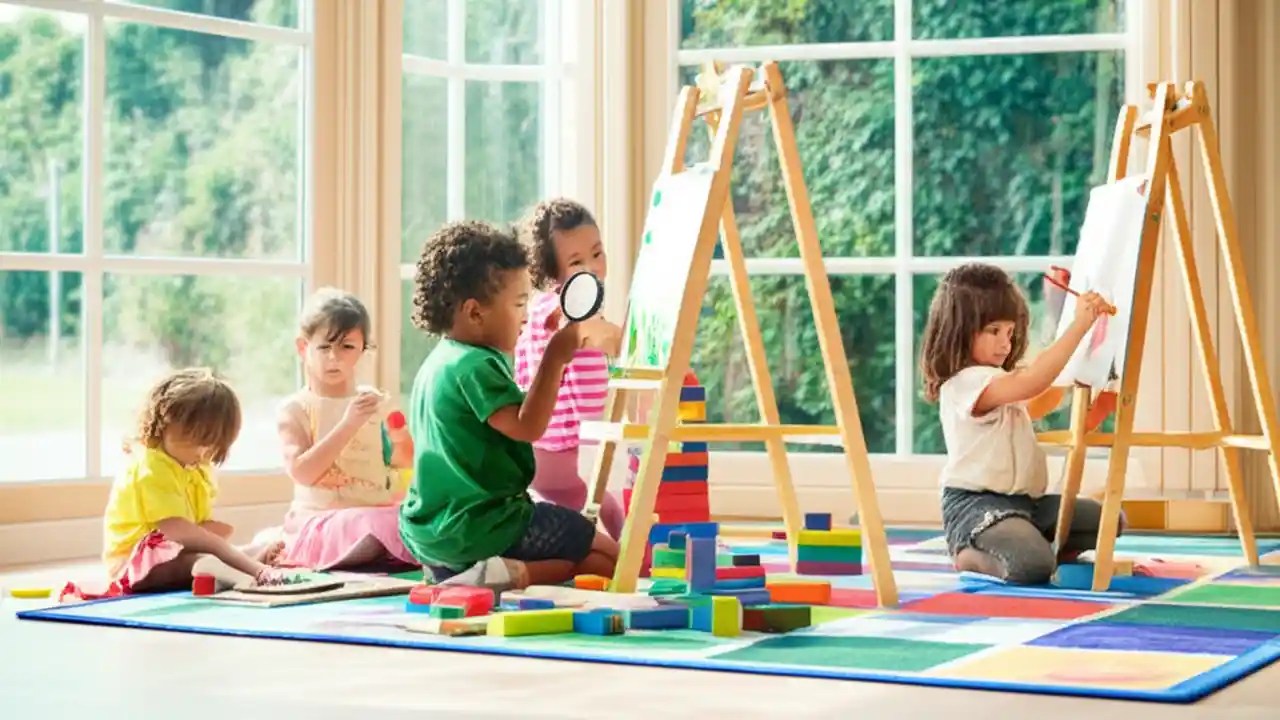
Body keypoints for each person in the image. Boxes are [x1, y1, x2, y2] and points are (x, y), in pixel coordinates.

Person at [400, 220, 619, 590]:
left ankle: (464, 574)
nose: (525, 316)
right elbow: (528, 426)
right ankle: (509, 574)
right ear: (474, 313)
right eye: (519, 304)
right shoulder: (477, 364)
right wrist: (556, 357)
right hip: (484, 526)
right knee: (609, 559)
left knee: (587, 550)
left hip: (431, 533)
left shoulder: (442, 361)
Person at [919, 263, 1116, 584]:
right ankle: (968, 554)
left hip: (1027, 504)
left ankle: (1031, 541)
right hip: (975, 505)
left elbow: (1043, 398)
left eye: (1010, 333)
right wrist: (1078, 326)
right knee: (1032, 566)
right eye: (994, 331)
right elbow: (1035, 382)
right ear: (959, 328)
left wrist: (1096, 389)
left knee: (1108, 522)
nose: (1005, 344)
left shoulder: (1002, 383)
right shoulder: (966, 383)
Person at [101, 368, 283, 592]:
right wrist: (252, 566)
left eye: (212, 444)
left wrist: (207, 533)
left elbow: (192, 532)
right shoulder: (152, 467)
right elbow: (178, 532)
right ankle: (233, 569)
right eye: (194, 441)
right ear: (164, 424)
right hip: (131, 564)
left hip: (177, 550)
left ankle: (230, 565)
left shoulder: (196, 467)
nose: (204, 452)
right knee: (199, 558)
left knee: (208, 552)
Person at [275, 288, 417, 570]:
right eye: (324, 347)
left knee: (414, 516)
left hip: (376, 510)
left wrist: (401, 442)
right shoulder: (296, 408)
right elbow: (303, 472)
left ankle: (384, 552)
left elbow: (401, 464)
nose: (334, 358)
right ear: (303, 348)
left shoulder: (374, 401)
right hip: (323, 518)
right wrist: (348, 423)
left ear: (363, 349)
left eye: (347, 347)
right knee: (365, 524)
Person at [514, 198, 625, 539]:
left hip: (533, 454)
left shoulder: (535, 309)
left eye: (597, 253)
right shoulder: (578, 317)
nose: (592, 268)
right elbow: (591, 400)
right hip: (566, 457)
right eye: (577, 262)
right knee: (613, 509)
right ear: (551, 273)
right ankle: (636, 563)